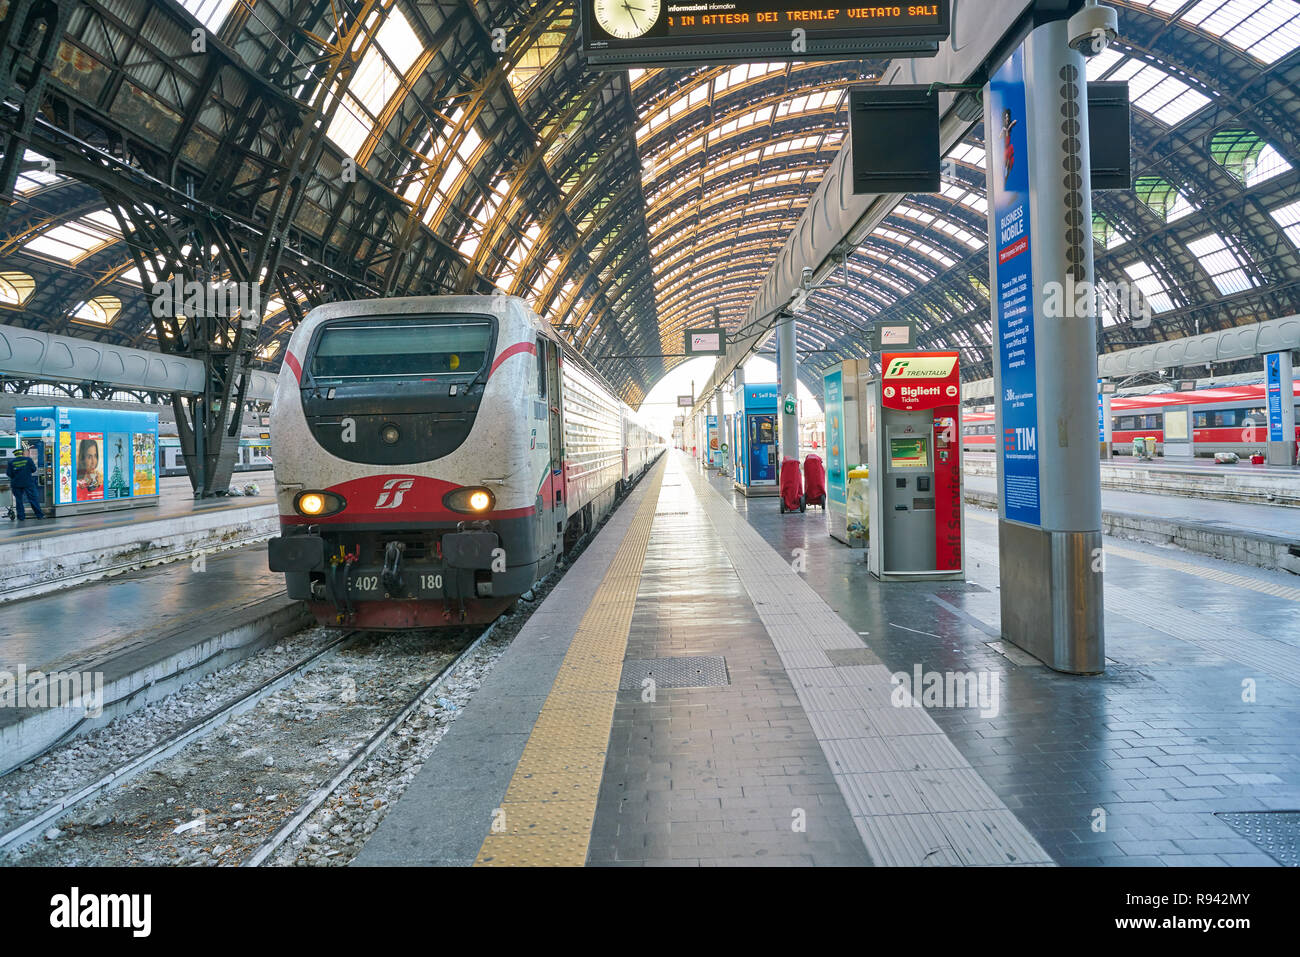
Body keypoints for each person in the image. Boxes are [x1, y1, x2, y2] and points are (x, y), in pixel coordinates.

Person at [6, 448, 45, 521]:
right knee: (33, 499)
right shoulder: (28, 460)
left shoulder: (11, 462)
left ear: (15, 454)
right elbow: (34, 469)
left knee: (19, 500)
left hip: (16, 484)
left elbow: (9, 474)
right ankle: (39, 515)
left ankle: (21, 517)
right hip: (28, 483)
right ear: (22, 453)